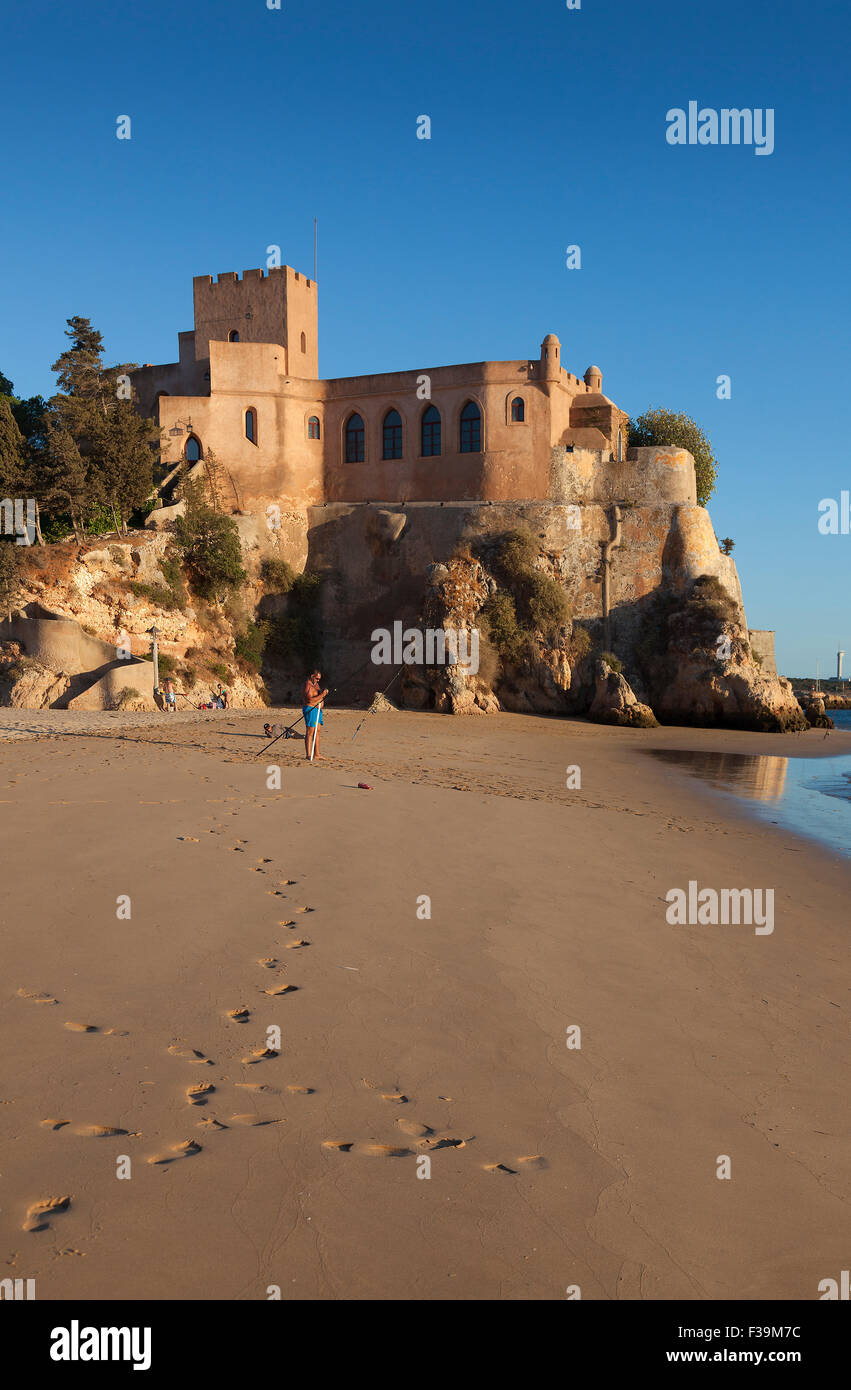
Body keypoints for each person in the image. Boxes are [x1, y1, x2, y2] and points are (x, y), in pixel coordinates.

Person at [302, 669, 328, 760]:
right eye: (317, 678)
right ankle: (308, 754)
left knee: (317, 731)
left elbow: (318, 696)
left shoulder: (316, 684)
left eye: (319, 679)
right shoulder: (307, 686)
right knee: (310, 732)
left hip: (318, 711)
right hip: (310, 710)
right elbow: (311, 700)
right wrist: (323, 695)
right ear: (312, 676)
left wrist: (323, 692)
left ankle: (317, 754)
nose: (318, 680)